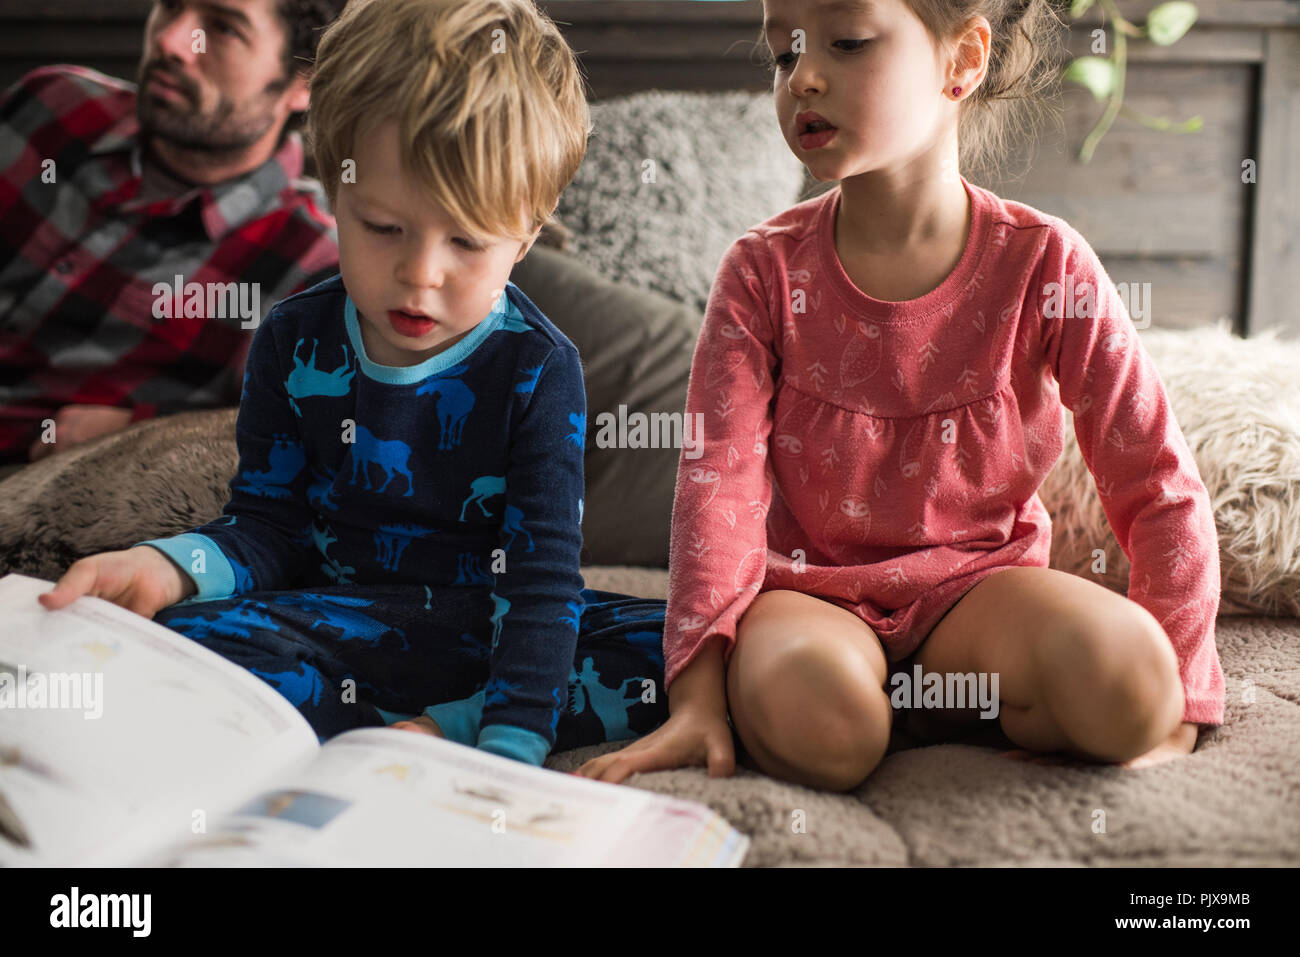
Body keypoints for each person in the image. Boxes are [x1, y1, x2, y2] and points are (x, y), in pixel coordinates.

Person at [574, 0, 1226, 791]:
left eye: (847, 43)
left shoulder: (1046, 261)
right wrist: (697, 695)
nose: (804, 77)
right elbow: (717, 490)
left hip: (981, 595)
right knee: (829, 732)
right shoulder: (760, 272)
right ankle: (914, 709)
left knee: (1132, 684)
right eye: (786, 55)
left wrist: (1184, 696)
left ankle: (978, 698)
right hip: (809, 594)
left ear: (962, 61)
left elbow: (1154, 477)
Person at [38, 0, 669, 767]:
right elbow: (268, 527)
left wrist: (502, 748)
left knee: (668, 643)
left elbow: (541, 583)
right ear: (334, 192)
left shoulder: (539, 367)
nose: (420, 273)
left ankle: (457, 718)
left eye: (467, 241)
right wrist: (167, 564)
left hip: (492, 628)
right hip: (334, 621)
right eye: (383, 227)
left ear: (528, 235)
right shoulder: (292, 335)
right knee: (179, 643)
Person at [0, 0, 346, 472]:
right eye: (171, 7)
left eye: (223, 29)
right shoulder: (51, 102)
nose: (170, 41)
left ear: (303, 83)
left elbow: (288, 444)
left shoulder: (311, 266)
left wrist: (141, 429)